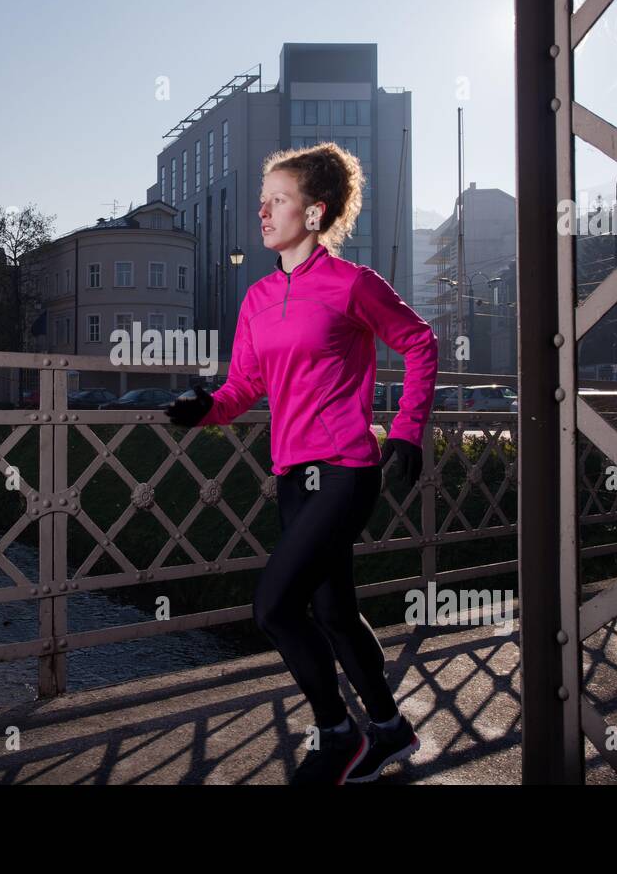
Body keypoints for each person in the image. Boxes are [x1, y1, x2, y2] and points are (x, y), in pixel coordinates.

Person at [165, 142, 439, 785]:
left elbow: (420, 342)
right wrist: (202, 409)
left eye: (278, 199)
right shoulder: (257, 297)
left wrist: (408, 430)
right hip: (292, 475)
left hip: (346, 469)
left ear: (314, 213)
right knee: (335, 613)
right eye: (263, 199)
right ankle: (390, 729)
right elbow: (243, 389)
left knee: (274, 608)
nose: (263, 210)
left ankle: (337, 732)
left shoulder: (354, 285)